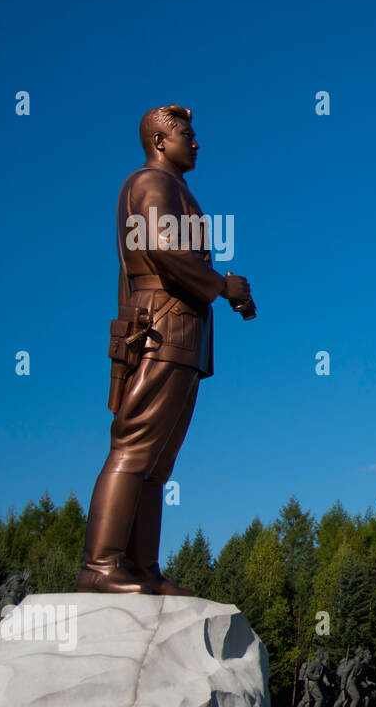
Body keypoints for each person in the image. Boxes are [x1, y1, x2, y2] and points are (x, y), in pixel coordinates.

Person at [77, 105, 255, 595]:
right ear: (160, 141)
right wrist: (222, 285)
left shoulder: (177, 190)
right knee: (134, 449)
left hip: (178, 331)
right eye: (187, 135)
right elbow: (161, 250)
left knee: (157, 465)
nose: (196, 144)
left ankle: (141, 569)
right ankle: (101, 566)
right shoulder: (151, 183)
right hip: (161, 325)